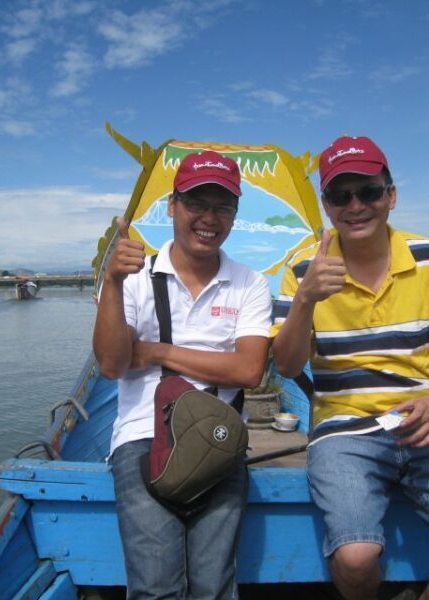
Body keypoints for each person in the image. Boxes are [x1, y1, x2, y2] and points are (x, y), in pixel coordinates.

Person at [270, 135, 429, 599]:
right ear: (327, 204)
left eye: (369, 191)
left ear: (391, 195)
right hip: (344, 429)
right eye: (341, 195)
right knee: (355, 556)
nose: (356, 205)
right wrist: (305, 300)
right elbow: (286, 363)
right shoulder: (304, 268)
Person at [93, 150, 272, 599]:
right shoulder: (133, 278)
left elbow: (249, 369)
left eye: (223, 206)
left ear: (234, 215)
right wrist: (111, 281)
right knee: (155, 588)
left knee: (214, 587)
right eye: (197, 203)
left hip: (219, 437)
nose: (209, 218)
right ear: (172, 206)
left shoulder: (250, 282)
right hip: (142, 436)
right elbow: (113, 364)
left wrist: (156, 351)